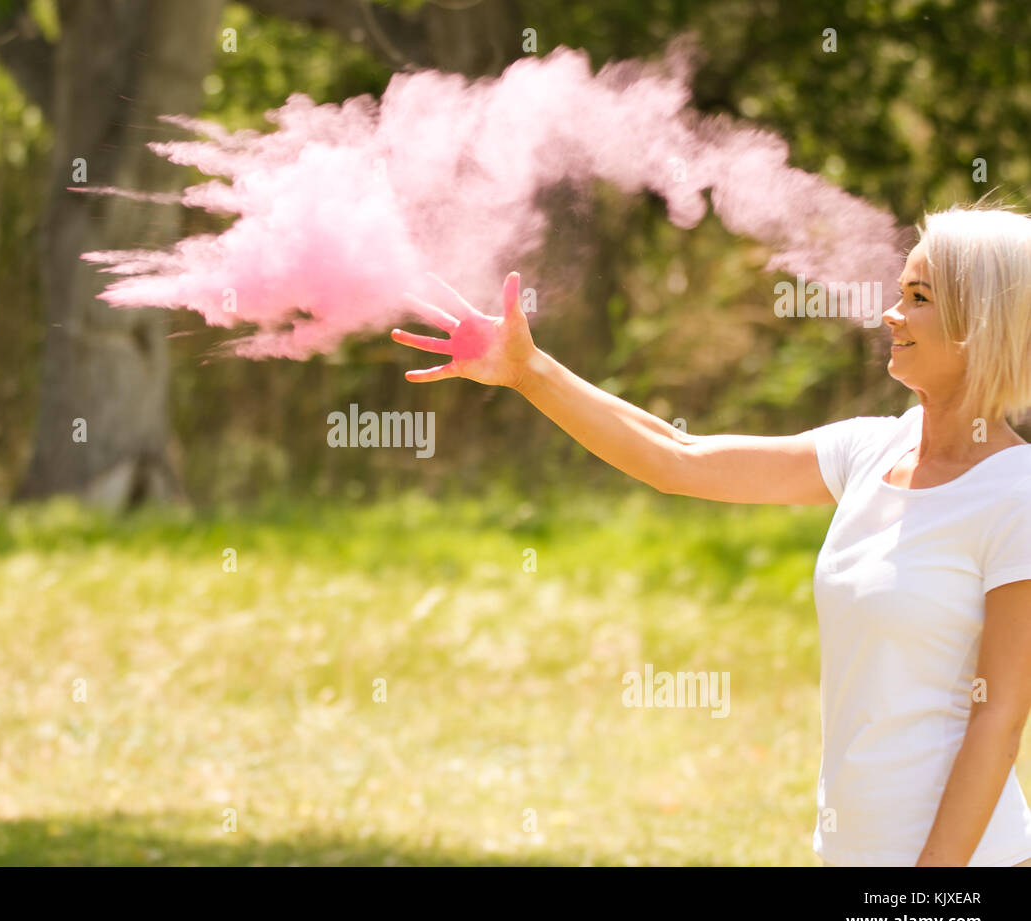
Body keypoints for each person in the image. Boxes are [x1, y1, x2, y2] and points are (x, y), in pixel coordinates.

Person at [392, 204, 1031, 866]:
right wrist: (529, 371)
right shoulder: (871, 450)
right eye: (900, 293)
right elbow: (677, 457)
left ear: (979, 324)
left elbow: (999, 719)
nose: (892, 315)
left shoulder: (1016, 495)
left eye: (919, 298)